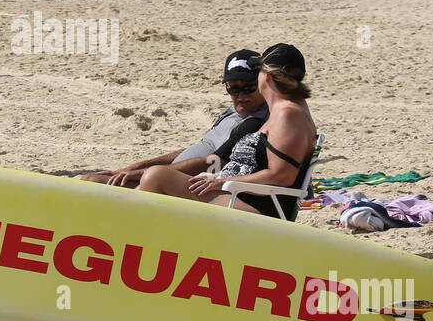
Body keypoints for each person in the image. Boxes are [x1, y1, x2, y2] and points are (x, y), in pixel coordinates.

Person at [135, 43, 317, 220]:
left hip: (255, 208)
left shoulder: (288, 115)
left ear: (267, 77)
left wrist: (222, 182)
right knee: (154, 180)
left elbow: (281, 176)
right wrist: (220, 178)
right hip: (241, 195)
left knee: (157, 176)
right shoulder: (288, 110)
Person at [81, 50, 268, 186]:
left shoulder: (255, 122)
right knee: (91, 180)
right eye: (233, 88)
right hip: (170, 177)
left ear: (262, 84)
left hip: (184, 187)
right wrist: (138, 167)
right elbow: (202, 146)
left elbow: (214, 162)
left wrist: (143, 174)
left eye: (248, 88)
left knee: (92, 182)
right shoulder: (234, 111)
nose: (241, 95)